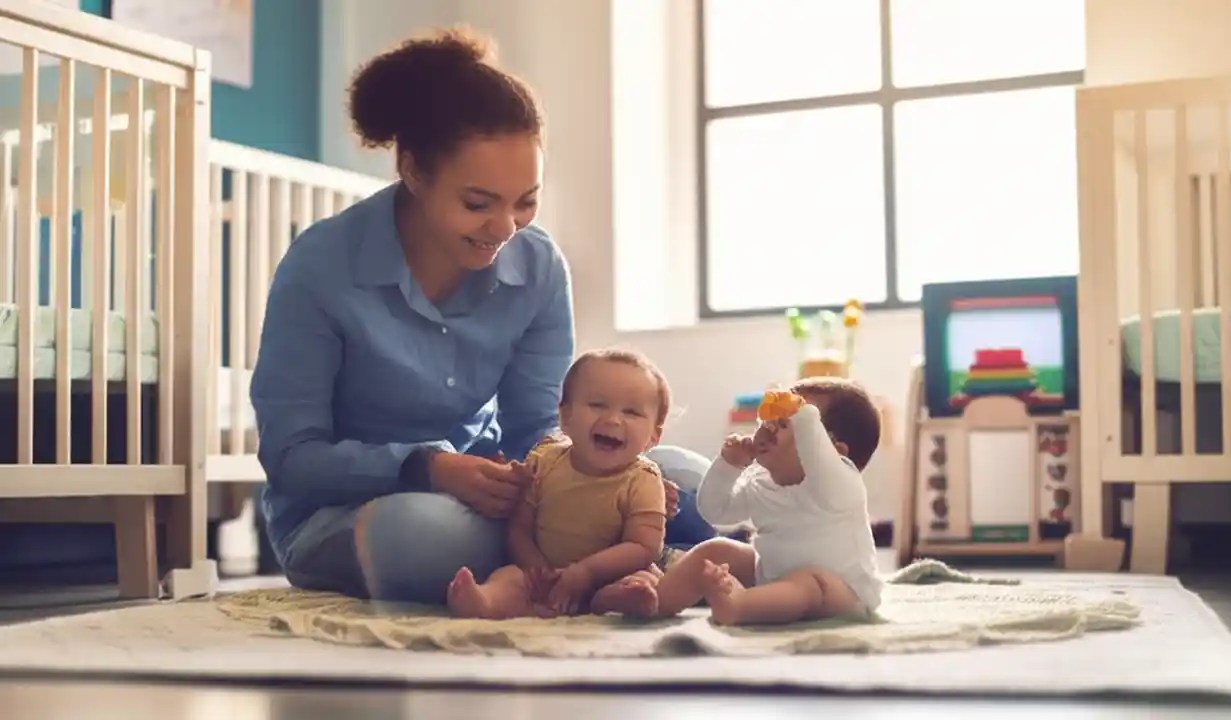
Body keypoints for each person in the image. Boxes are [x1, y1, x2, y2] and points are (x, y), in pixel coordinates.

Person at [249, 27, 714, 605]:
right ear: (414, 171)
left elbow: (537, 426)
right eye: (478, 204)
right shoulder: (320, 266)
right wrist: (425, 467)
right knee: (419, 534)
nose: (505, 229)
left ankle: (582, 566)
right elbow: (293, 459)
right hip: (352, 514)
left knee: (690, 482)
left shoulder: (538, 265)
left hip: (509, 500)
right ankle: (618, 566)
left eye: (526, 201)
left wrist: (590, 477)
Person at [618, 377, 884, 625]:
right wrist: (728, 467)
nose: (768, 427)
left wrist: (802, 413)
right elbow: (715, 512)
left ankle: (740, 606)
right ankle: (656, 599)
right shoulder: (762, 481)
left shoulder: (841, 484)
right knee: (716, 550)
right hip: (770, 572)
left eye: (784, 424)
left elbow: (818, 453)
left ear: (837, 453)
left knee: (811, 583)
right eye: (770, 419)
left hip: (841, 593)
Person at [449, 349, 677, 619]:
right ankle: (485, 601)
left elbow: (644, 547)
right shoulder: (545, 461)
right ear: (565, 416)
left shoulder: (644, 480)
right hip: (546, 572)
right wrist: (537, 569)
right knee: (509, 577)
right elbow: (519, 528)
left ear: (654, 436)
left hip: (609, 575)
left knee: (645, 580)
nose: (613, 419)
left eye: (631, 412)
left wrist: (587, 573)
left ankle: (622, 600)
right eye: (597, 405)